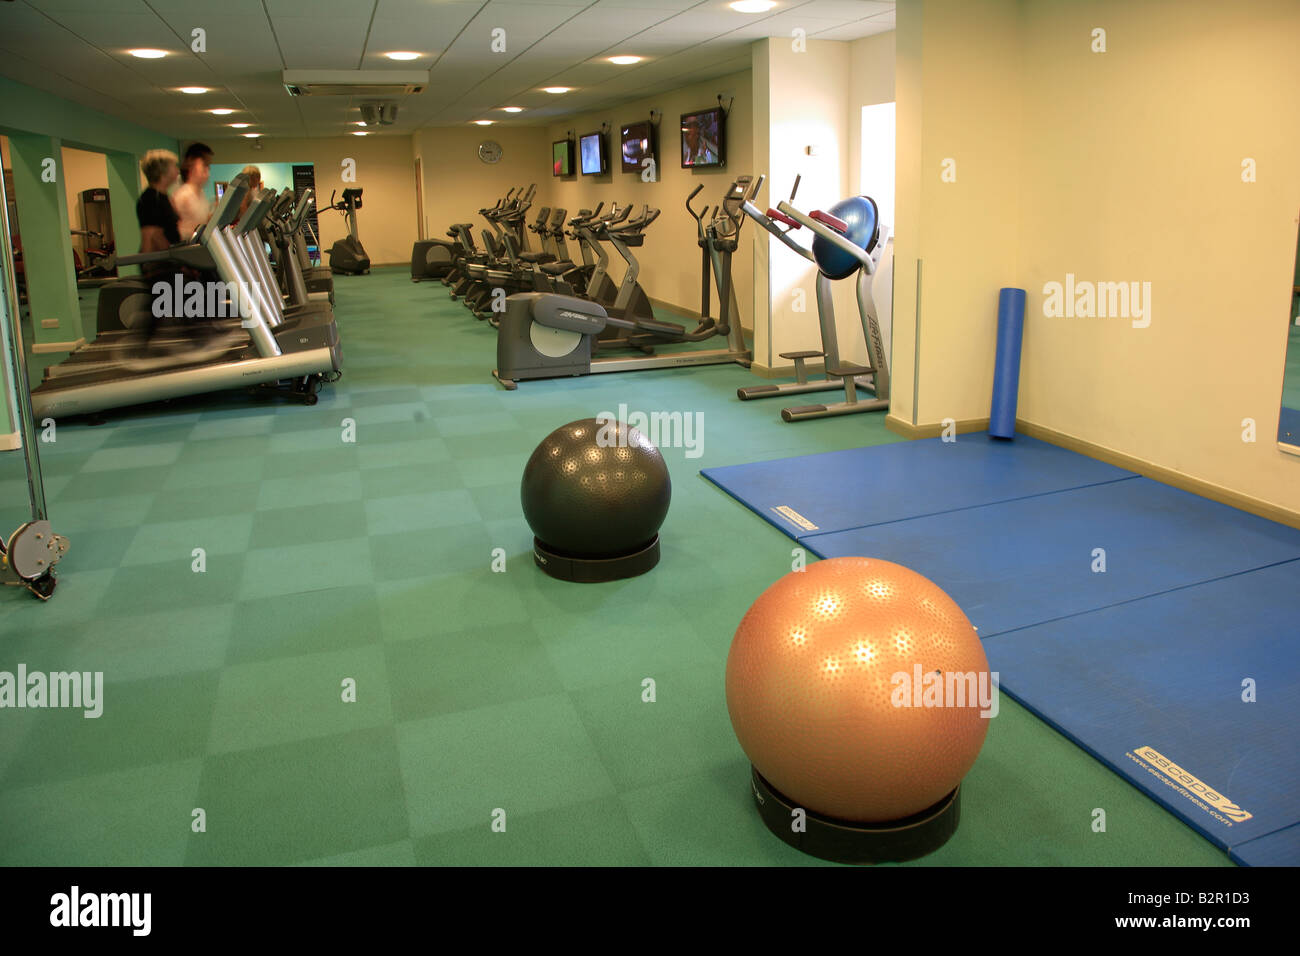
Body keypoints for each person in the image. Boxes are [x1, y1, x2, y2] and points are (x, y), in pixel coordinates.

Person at [172, 142, 214, 241]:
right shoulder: (182, 195)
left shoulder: (201, 194)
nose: (207, 171)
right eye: (204, 165)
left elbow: (201, 223)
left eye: (208, 166)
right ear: (191, 163)